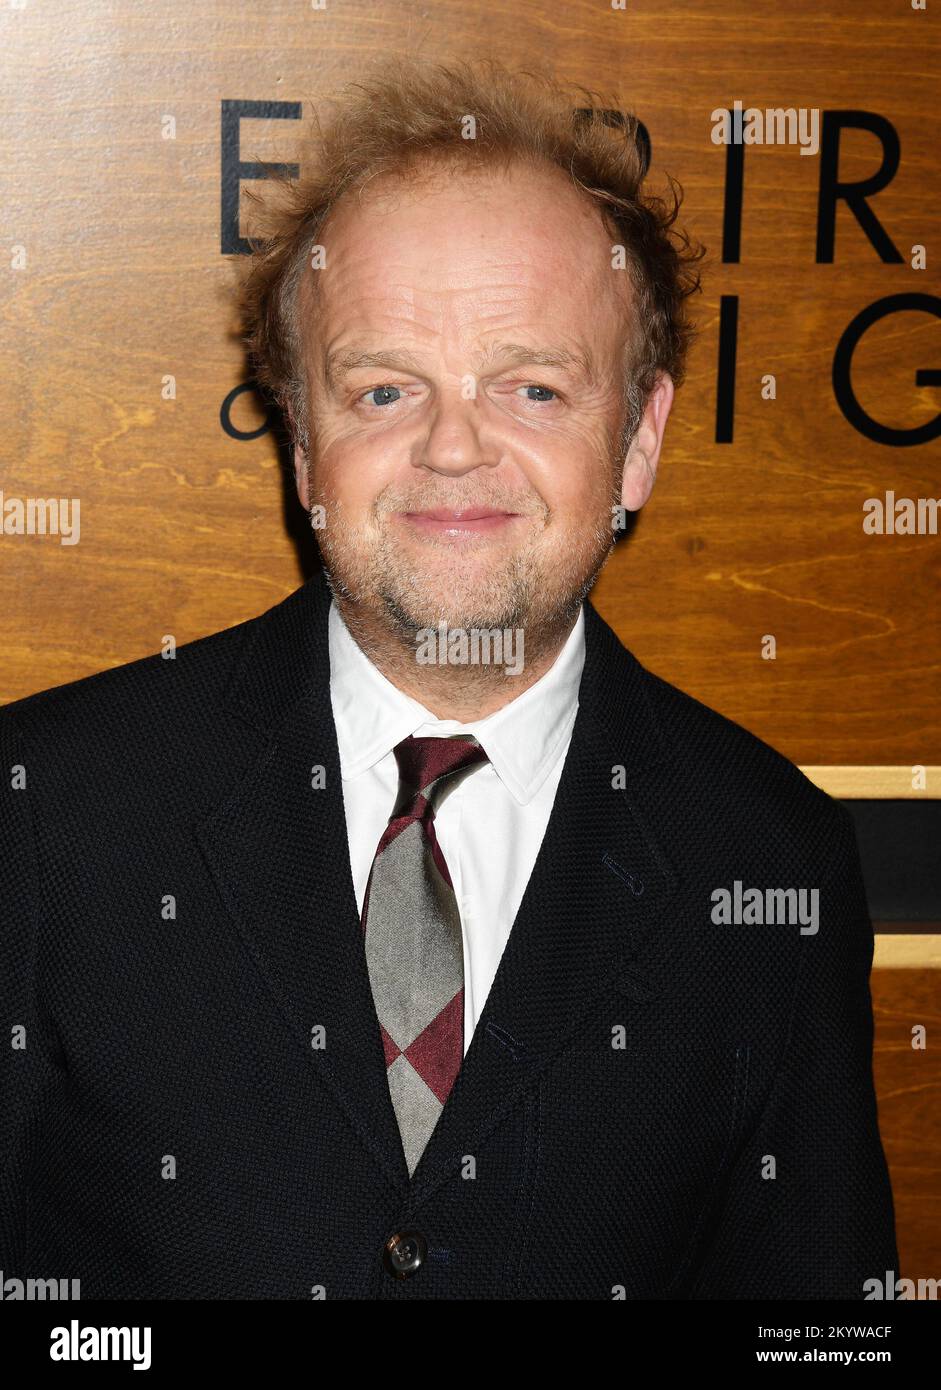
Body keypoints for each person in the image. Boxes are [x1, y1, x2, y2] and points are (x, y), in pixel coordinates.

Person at [0, 57, 896, 1298]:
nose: (454, 444)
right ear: (305, 449)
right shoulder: (50, 806)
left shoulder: (768, 857)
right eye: (383, 389)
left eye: (531, 387)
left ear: (636, 441)